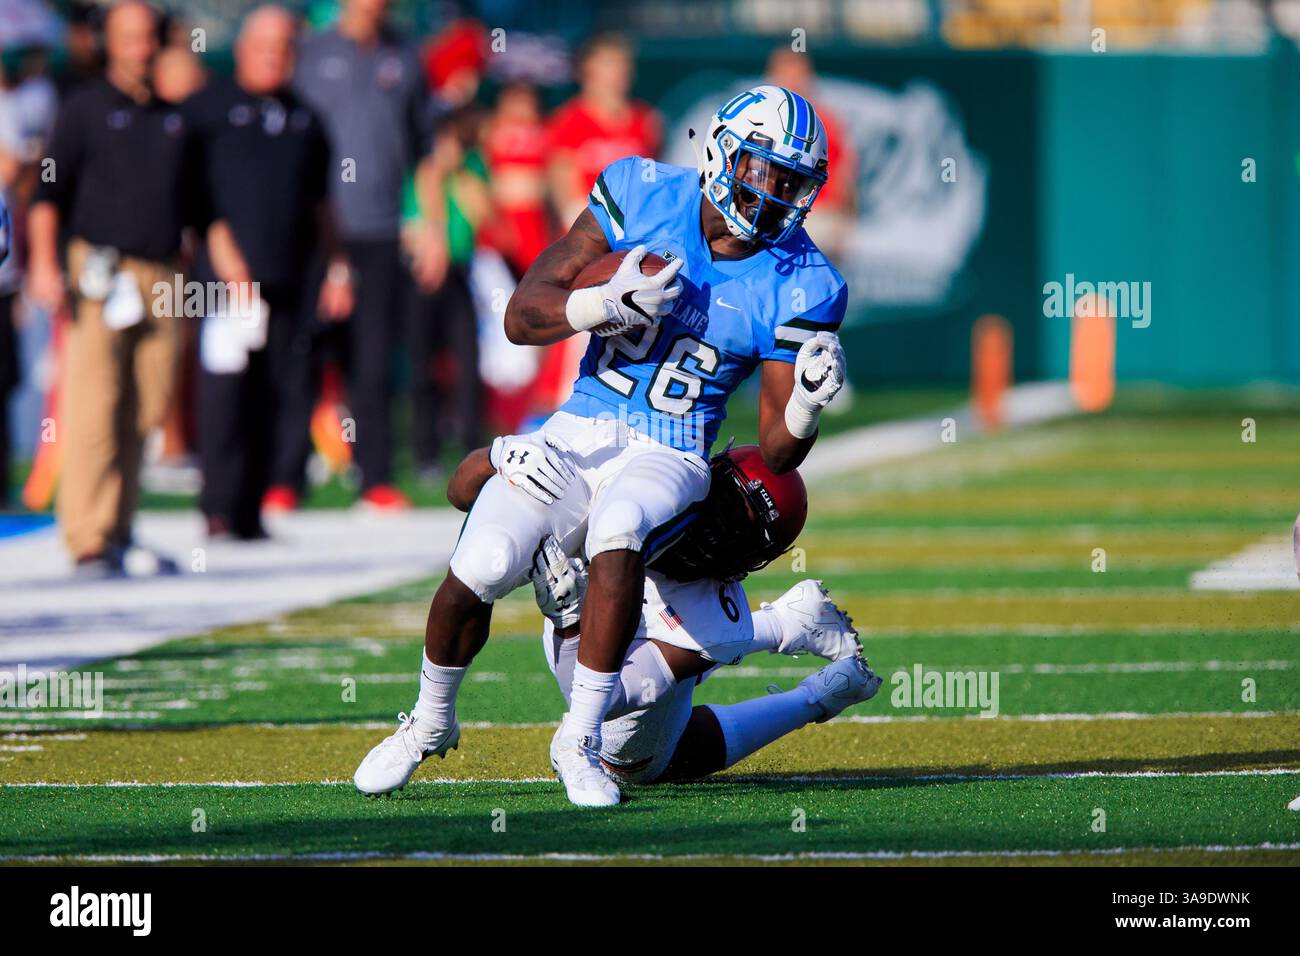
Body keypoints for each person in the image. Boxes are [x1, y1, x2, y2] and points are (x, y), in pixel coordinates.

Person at [359, 84, 849, 808]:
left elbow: (776, 452)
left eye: (794, 184)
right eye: (765, 172)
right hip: (584, 421)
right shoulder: (639, 190)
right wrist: (598, 304)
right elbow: (522, 318)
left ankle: (578, 738)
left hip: (675, 446)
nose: (778, 196)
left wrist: (807, 403)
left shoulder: (805, 279)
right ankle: (429, 722)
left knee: (620, 524)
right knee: (487, 558)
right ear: (722, 152)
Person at [353, 443, 881, 796]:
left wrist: (567, 619)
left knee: (634, 761)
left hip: (627, 655)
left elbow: (608, 697)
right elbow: (460, 493)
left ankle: (816, 690)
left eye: (732, 529)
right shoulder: (638, 480)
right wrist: (498, 454)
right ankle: (789, 627)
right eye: (718, 507)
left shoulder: (713, 617)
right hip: (622, 620)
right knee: (487, 565)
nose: (710, 531)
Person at [26, 0, 202, 576]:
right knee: (96, 405)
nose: (141, 48)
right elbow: (47, 197)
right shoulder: (83, 109)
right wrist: (46, 267)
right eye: (130, 37)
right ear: (111, 42)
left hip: (164, 274)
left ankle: (121, 528)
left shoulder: (174, 116)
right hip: (100, 272)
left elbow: (198, 207)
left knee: (146, 408)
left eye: (149, 36)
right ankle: (87, 536)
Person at [187, 5, 351, 540]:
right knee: (225, 395)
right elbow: (195, 200)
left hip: (291, 277)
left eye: (284, 49)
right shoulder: (207, 111)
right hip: (223, 282)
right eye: (264, 47)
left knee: (277, 392)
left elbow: (321, 203)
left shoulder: (306, 118)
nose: (273, 58)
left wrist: (337, 267)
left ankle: (254, 507)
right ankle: (217, 507)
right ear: (242, 49)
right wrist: (224, 259)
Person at [286, 0, 436, 511]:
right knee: (301, 353)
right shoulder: (308, 52)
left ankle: (374, 479)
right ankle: (283, 479)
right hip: (311, 230)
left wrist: (431, 226)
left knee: (372, 359)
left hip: (379, 230)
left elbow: (427, 153)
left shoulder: (405, 56)